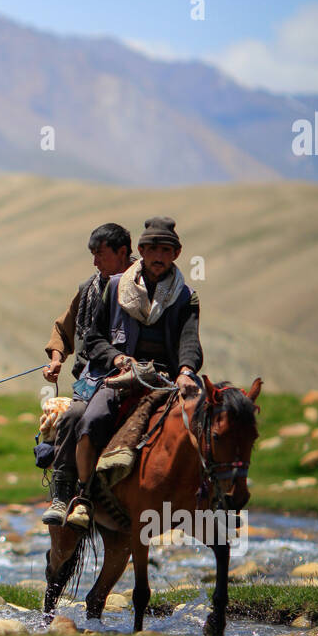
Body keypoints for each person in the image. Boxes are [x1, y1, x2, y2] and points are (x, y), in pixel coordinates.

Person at [64, 215, 202, 530]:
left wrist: (185, 370)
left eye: (165, 250)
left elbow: (190, 342)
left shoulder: (186, 298)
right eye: (152, 248)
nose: (158, 256)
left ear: (176, 254)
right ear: (141, 249)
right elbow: (94, 338)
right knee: (90, 419)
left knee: (206, 428)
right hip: (120, 377)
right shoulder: (114, 288)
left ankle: (210, 496)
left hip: (166, 379)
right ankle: (83, 497)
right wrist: (116, 359)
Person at [41, 223, 132, 526]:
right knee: (71, 417)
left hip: (139, 376)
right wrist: (56, 359)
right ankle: (64, 495)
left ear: (123, 253)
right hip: (92, 379)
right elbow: (63, 331)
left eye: (100, 255)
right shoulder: (89, 289)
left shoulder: (143, 286)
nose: (95, 263)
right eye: (92, 255)